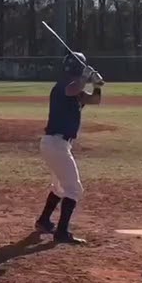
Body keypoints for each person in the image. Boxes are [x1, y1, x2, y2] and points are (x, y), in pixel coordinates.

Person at [35, 52, 103, 245]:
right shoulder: (62, 86)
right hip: (56, 144)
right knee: (73, 189)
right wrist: (86, 78)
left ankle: (43, 221)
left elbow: (94, 100)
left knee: (59, 187)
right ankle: (62, 232)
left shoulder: (74, 89)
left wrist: (97, 84)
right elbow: (72, 90)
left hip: (57, 145)